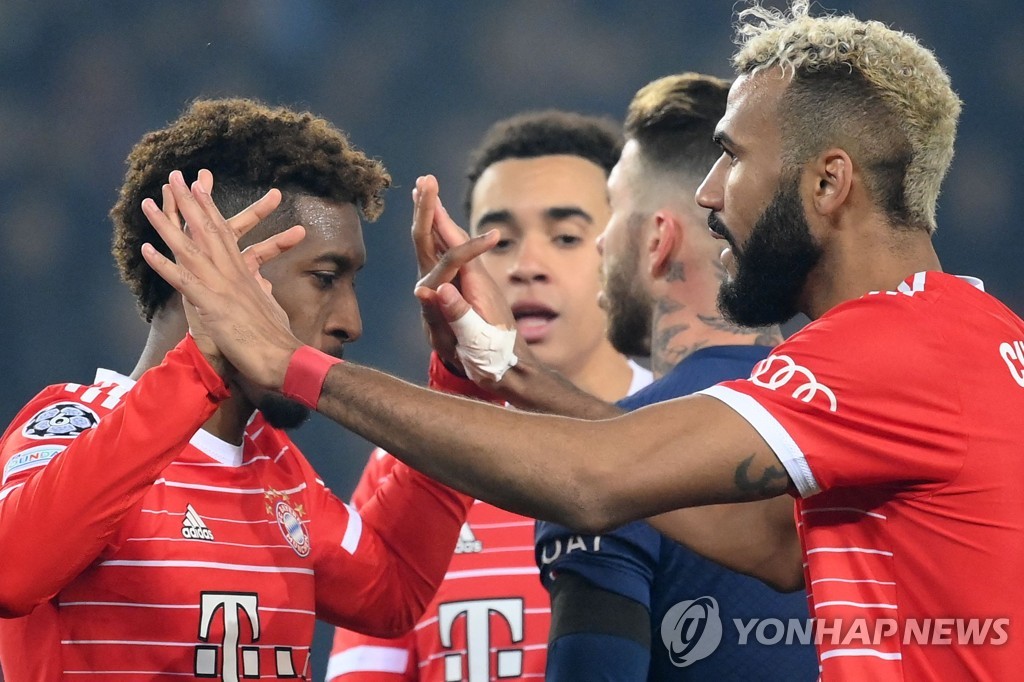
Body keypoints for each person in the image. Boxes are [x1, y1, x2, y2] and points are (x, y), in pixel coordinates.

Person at [142, 2, 1024, 677]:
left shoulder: (890, 352)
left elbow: (595, 484)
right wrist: (505, 370)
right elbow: (770, 545)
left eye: (733, 156)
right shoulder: (963, 332)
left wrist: (288, 361)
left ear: (830, 182)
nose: (710, 191)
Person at [0, 98, 475, 680]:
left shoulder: (278, 469)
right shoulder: (73, 422)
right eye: (325, 279)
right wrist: (200, 363)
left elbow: (392, 589)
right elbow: (10, 571)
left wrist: (459, 381)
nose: (351, 321)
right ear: (212, 267)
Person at [326, 111, 652, 681]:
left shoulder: (690, 439)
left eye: (567, 237)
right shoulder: (413, 457)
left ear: (624, 251)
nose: (527, 267)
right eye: (495, 242)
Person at [530, 73, 817, 680]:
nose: (602, 242)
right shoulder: (877, 423)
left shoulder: (610, 464)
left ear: (659, 239)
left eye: (613, 212)